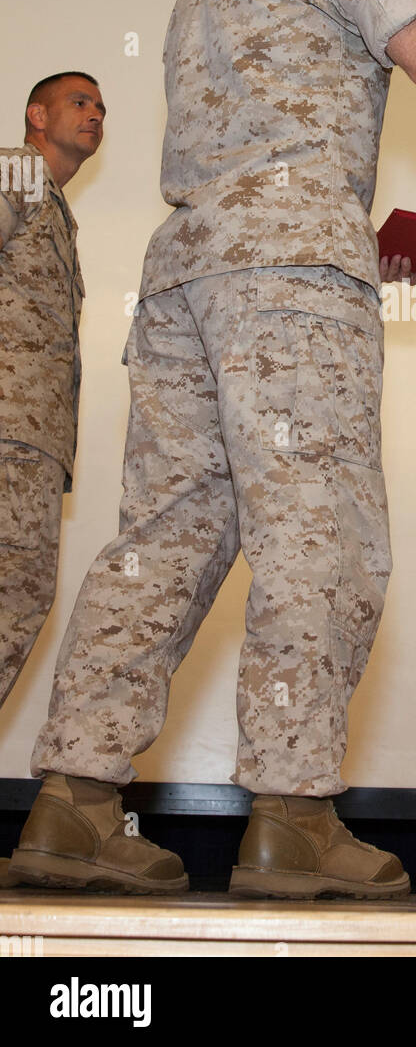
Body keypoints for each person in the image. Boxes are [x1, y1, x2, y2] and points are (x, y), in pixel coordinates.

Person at [9, 0, 416, 899]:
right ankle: (294, 812)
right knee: (320, 525)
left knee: (162, 537)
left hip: (185, 275)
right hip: (291, 272)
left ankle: (73, 802)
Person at [0, 71, 103, 887]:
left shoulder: (57, 212)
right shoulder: (18, 172)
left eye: (101, 107)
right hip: (6, 437)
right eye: (79, 101)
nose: (95, 113)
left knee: (17, 605)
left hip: (31, 447)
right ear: (37, 116)